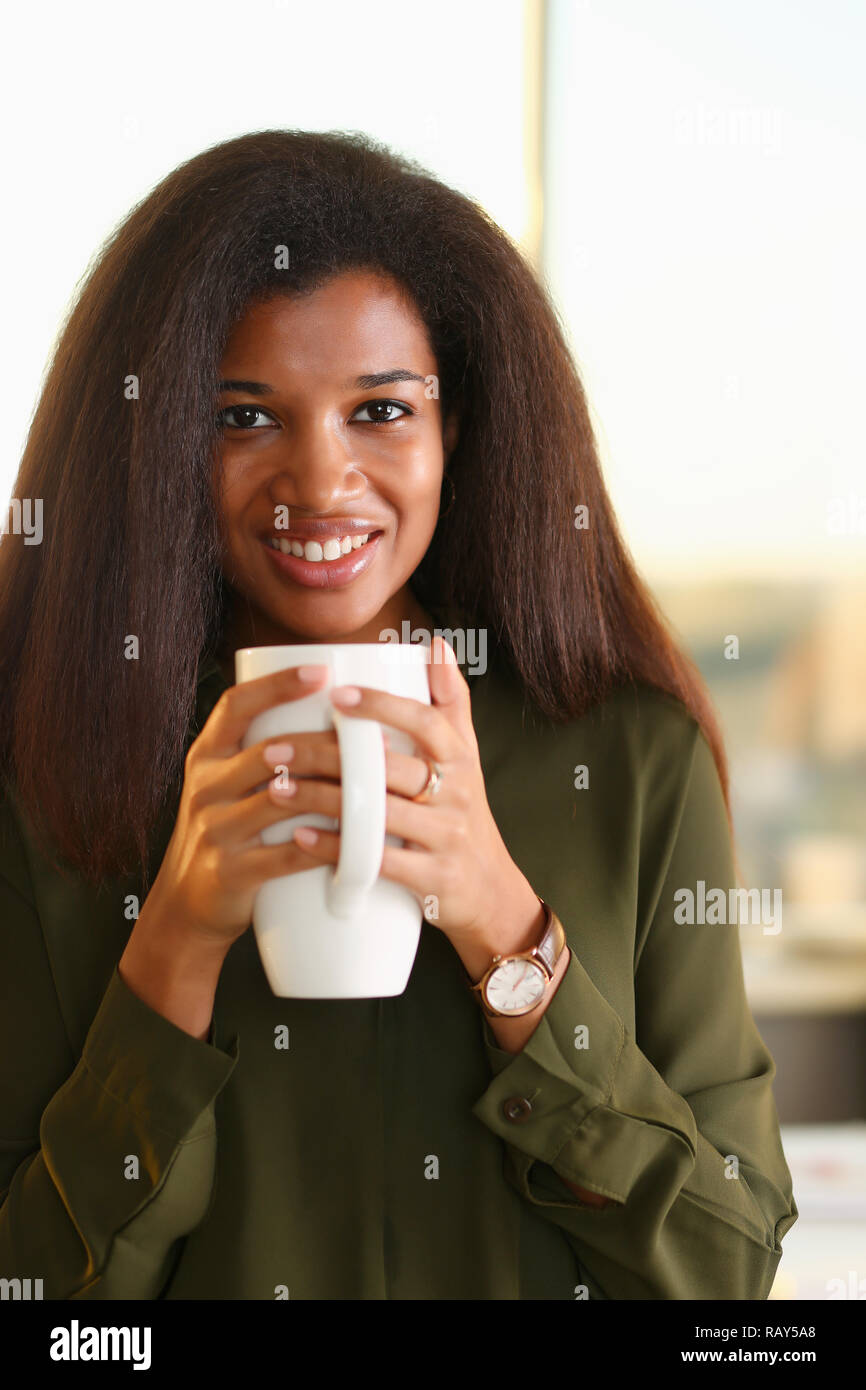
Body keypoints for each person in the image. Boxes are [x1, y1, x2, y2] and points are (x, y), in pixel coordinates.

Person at [0, 129, 796, 1300]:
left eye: (379, 410)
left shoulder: (629, 758)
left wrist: (507, 936)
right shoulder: (45, 773)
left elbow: (722, 1279)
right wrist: (170, 945)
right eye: (241, 417)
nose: (321, 483)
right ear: (159, 437)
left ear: (454, 426)